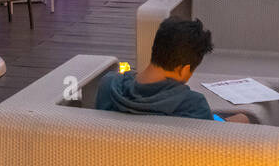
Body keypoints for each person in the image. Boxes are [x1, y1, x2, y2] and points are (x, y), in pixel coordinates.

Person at [96, 17, 250, 123]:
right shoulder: (191, 105)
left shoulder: (108, 85)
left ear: (156, 47)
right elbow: (218, 135)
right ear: (184, 70)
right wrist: (243, 118)